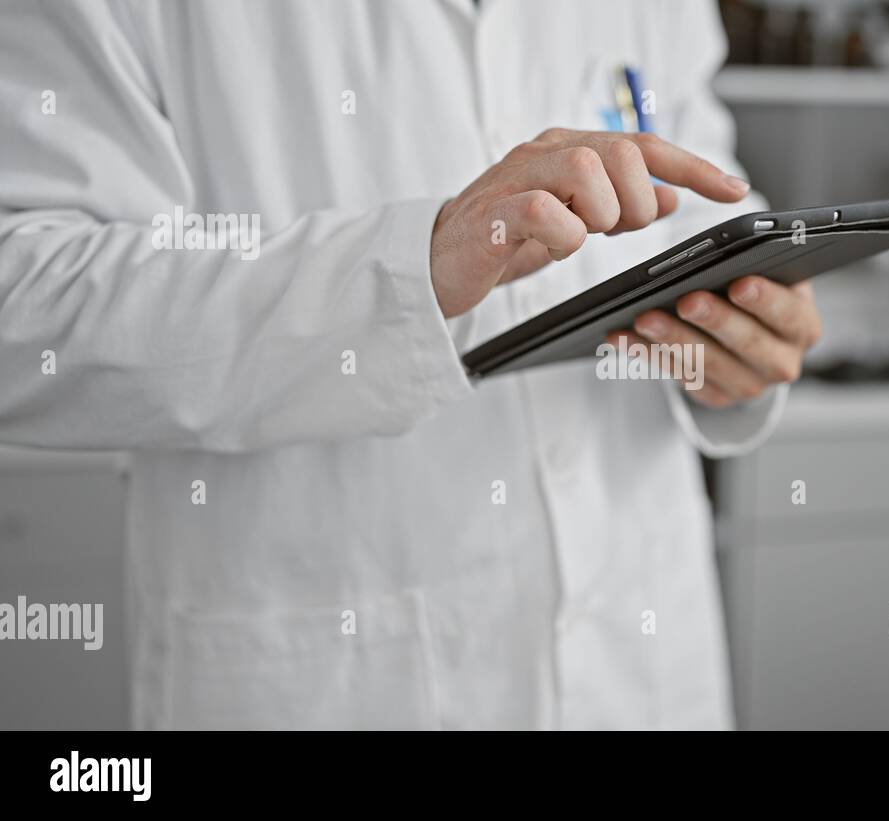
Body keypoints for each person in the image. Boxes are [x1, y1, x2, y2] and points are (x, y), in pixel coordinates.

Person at [0, 0, 822, 729]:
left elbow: (706, 198)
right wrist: (406, 268)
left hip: (644, 664)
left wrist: (737, 337)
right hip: (333, 676)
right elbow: (26, 305)